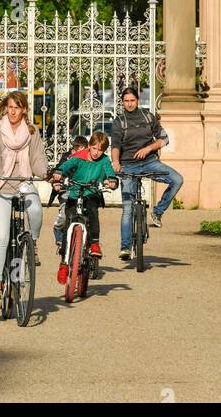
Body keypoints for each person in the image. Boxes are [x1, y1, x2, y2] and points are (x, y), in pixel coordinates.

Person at [0, 90, 48, 311]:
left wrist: (45, 173)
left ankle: (33, 243)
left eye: (17, 108)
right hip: (0, 186)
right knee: (1, 237)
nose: (13, 111)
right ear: (6, 108)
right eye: (10, 107)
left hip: (23, 184)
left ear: (24, 109)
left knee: (36, 209)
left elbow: (37, 158)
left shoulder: (32, 131)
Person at [110, 87, 183, 262]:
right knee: (127, 208)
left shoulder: (148, 117)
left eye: (132, 100)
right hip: (128, 166)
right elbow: (115, 145)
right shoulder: (119, 122)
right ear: (122, 102)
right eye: (126, 101)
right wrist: (116, 162)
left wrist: (148, 148)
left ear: (138, 101)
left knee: (177, 179)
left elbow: (164, 138)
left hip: (150, 162)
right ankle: (125, 247)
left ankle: (157, 212)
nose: (129, 104)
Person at [55, 131, 118, 283]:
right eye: (94, 148)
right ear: (89, 146)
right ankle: (64, 264)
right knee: (68, 225)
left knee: (93, 214)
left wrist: (112, 180)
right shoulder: (80, 156)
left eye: (100, 150)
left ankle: (95, 243)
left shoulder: (104, 160)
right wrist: (58, 173)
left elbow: (110, 171)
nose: (97, 152)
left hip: (92, 193)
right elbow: (66, 165)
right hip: (75, 193)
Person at [49, 134, 89, 254]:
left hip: (84, 190)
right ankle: (59, 232)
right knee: (64, 215)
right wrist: (56, 182)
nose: (80, 151)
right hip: (67, 189)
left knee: (90, 215)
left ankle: (90, 243)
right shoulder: (66, 157)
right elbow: (58, 170)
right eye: (77, 148)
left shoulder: (89, 158)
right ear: (73, 148)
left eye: (83, 148)